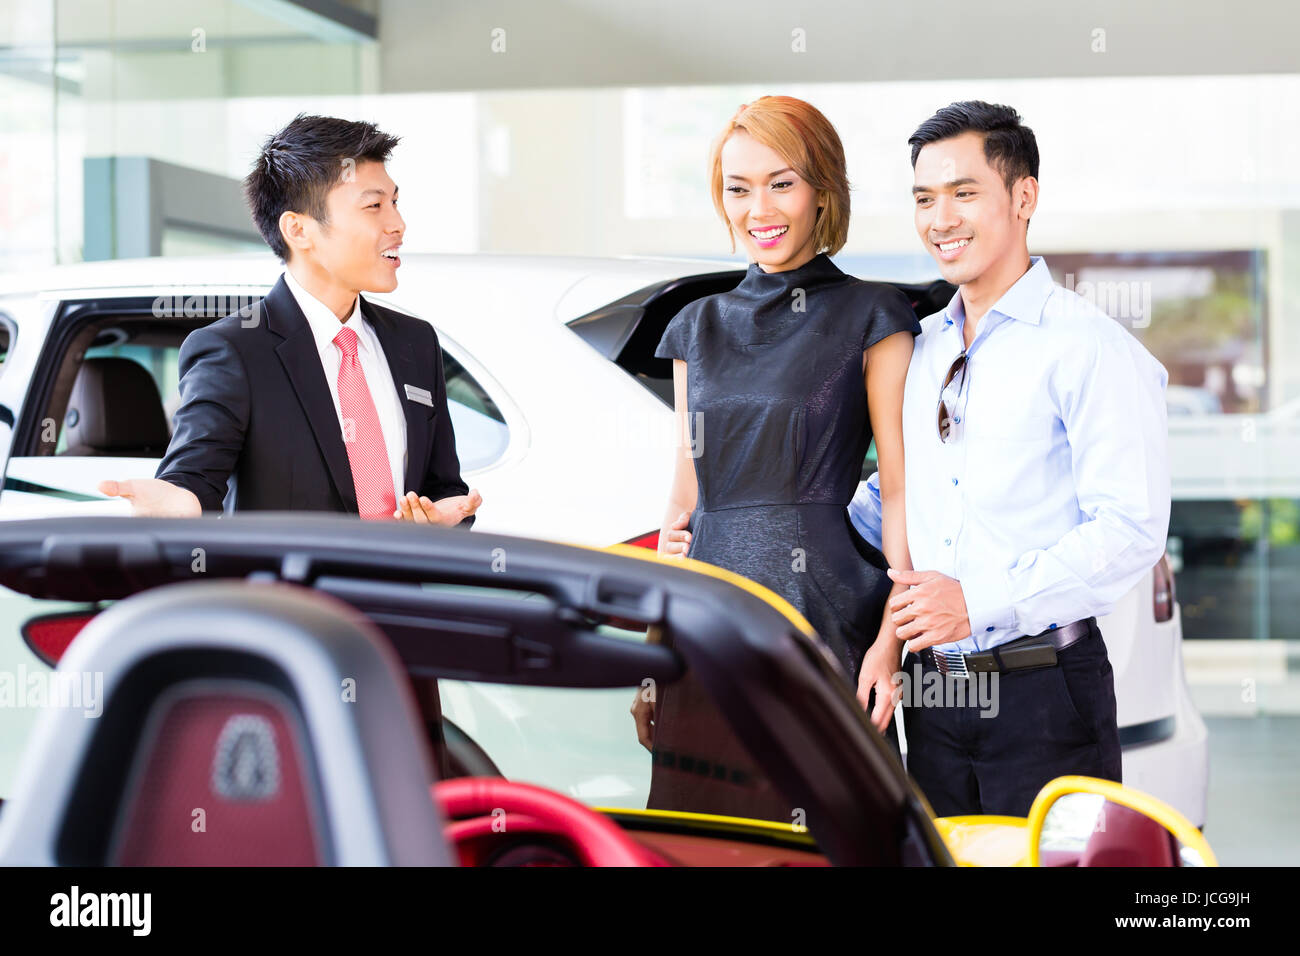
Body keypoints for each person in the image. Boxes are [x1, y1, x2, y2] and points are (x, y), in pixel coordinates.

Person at [838, 101, 1170, 817]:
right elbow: (893, 508)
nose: (940, 219)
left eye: (964, 193)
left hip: (1044, 690)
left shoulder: (1089, 348)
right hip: (934, 695)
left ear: (1024, 197)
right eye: (925, 199)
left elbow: (1130, 528)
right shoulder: (918, 352)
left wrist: (978, 602)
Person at [634, 96, 920, 822]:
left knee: (823, 829)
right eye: (739, 188)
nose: (758, 207)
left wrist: (890, 639)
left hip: (824, 609)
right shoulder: (694, 326)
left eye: (782, 182)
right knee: (706, 832)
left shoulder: (874, 315)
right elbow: (684, 498)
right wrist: (650, 653)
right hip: (707, 613)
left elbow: (901, 489)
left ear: (824, 189)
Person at [98, 114, 481, 527]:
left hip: (399, 591)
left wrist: (446, 517)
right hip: (288, 593)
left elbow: (445, 488)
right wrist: (177, 500)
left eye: (395, 202)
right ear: (298, 230)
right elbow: (195, 479)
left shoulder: (415, 343)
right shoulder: (235, 351)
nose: (397, 224)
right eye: (374, 206)